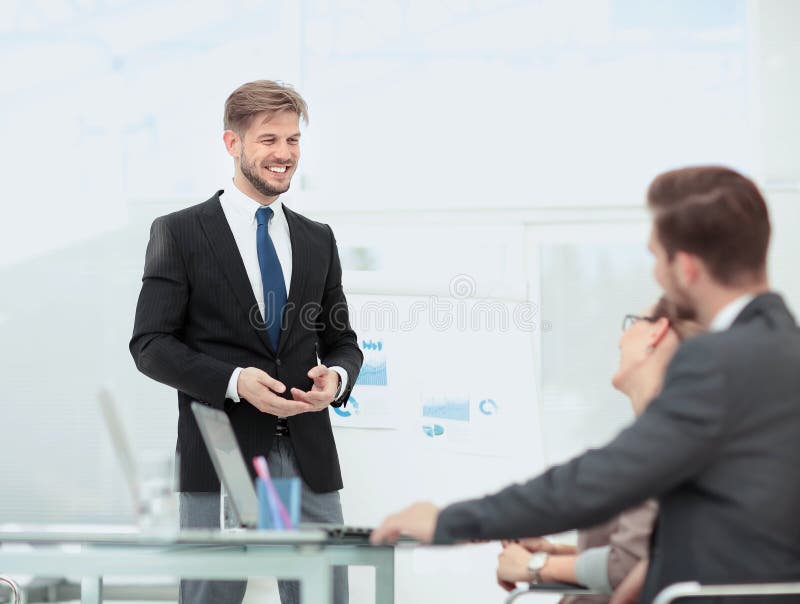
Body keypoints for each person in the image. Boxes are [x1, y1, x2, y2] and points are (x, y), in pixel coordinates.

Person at [372, 166, 800, 603]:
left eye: (656, 257)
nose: (656, 274)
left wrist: (450, 521)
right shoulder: (784, 348)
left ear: (686, 267)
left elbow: (603, 478)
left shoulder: (717, 361)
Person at [130, 80, 362, 604]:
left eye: (293, 140)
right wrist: (234, 381)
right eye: (269, 140)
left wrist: (336, 377)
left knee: (321, 595)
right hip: (224, 453)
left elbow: (342, 341)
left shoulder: (317, 238)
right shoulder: (180, 233)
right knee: (212, 595)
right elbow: (150, 344)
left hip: (304, 456)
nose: (284, 153)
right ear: (232, 144)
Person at [496, 296, 702, 603]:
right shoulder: (677, 436)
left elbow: (627, 568)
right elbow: (651, 555)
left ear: (656, 333)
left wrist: (535, 566)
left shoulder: (661, 444)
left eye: (632, 323)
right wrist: (559, 552)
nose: (621, 338)